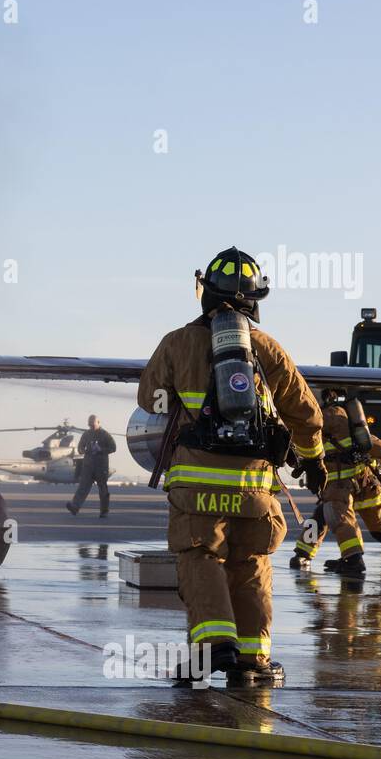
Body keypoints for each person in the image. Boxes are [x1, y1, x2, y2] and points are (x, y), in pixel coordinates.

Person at [138, 247, 325, 685]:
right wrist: (314, 461)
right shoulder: (266, 347)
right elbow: (304, 411)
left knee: (201, 557)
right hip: (255, 487)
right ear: (254, 298)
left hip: (195, 486)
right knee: (251, 563)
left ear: (206, 291)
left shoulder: (178, 342)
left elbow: (149, 397)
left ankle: (211, 649)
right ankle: (253, 662)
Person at [289, 388, 381, 575]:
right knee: (374, 527)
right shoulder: (345, 418)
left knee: (341, 522)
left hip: (341, 486)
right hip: (363, 485)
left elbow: (302, 438)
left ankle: (354, 560)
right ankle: (303, 553)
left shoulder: (323, 419)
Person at [66, 415, 118, 517]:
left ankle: (104, 511)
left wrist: (101, 450)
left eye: (93, 425)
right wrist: (83, 450)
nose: (91, 427)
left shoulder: (105, 435)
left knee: (103, 488)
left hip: (101, 466)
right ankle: (74, 507)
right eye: (90, 425)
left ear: (98, 423)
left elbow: (113, 447)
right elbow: (80, 447)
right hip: (88, 465)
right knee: (83, 487)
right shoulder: (86, 434)